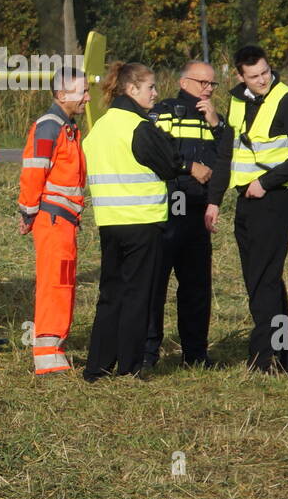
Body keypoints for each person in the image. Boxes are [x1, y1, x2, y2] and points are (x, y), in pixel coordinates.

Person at [81, 61, 210, 381]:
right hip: (143, 221)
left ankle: (96, 367)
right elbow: (167, 164)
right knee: (139, 296)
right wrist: (190, 165)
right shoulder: (138, 126)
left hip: (110, 222)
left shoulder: (100, 126)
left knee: (110, 295)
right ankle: (130, 366)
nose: (155, 93)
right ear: (131, 89)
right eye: (150, 87)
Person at [206, 45, 288, 373]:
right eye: (253, 76)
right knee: (261, 277)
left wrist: (265, 183)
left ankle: (263, 358)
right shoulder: (238, 101)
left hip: (276, 198)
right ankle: (281, 356)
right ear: (240, 76)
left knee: (263, 278)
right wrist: (214, 201)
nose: (262, 80)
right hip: (246, 200)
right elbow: (227, 154)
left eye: (265, 72)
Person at [145, 60, 230, 369]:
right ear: (184, 83)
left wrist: (217, 125)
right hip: (168, 207)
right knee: (155, 285)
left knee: (196, 288)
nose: (207, 89)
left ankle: (195, 356)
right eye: (202, 83)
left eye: (212, 84)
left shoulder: (214, 119)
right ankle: (148, 354)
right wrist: (187, 166)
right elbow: (154, 150)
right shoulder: (166, 111)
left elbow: (229, 156)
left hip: (197, 211)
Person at [17, 66, 89, 374]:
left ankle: (51, 346)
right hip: (54, 220)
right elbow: (33, 171)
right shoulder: (51, 126)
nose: (87, 97)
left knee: (62, 280)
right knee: (55, 283)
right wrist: (28, 212)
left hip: (62, 220)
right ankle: (47, 353)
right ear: (61, 95)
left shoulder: (66, 126)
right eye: (82, 92)